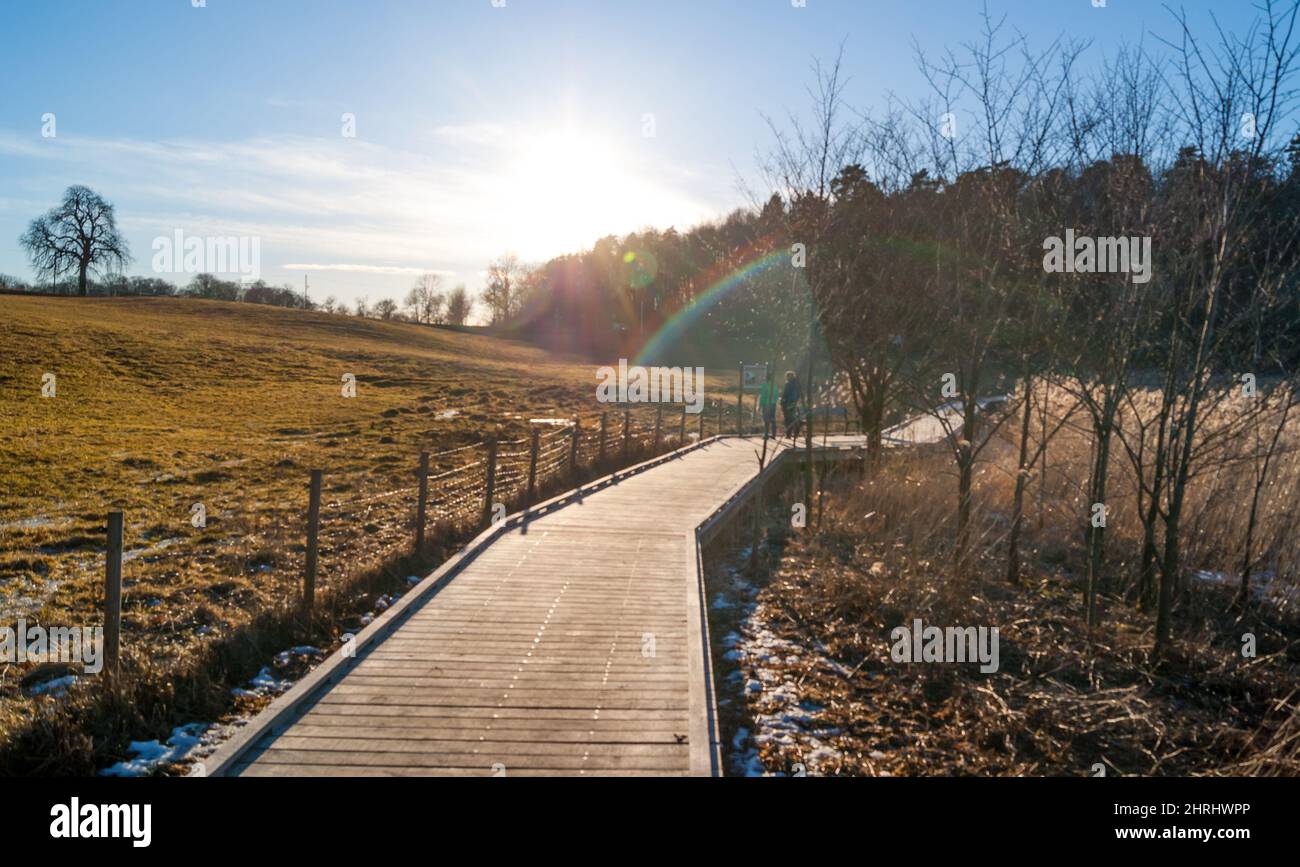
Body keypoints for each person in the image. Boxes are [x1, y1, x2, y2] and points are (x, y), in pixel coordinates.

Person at [781, 370, 802, 438]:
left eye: (786, 376)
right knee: (794, 417)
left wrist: (782, 401)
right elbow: (799, 393)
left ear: (788, 377)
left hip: (788, 403)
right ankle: (796, 432)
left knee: (788, 418)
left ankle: (788, 434)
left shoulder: (788, 384)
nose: (786, 378)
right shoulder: (797, 383)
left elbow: (785, 394)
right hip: (795, 403)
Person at [759, 368, 779, 438]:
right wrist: (774, 401)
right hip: (773, 404)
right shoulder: (775, 385)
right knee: (773, 419)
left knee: (766, 419)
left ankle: (766, 434)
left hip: (766, 404)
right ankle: (774, 434)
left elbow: (763, 396)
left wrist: (760, 405)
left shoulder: (765, 385)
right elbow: (777, 395)